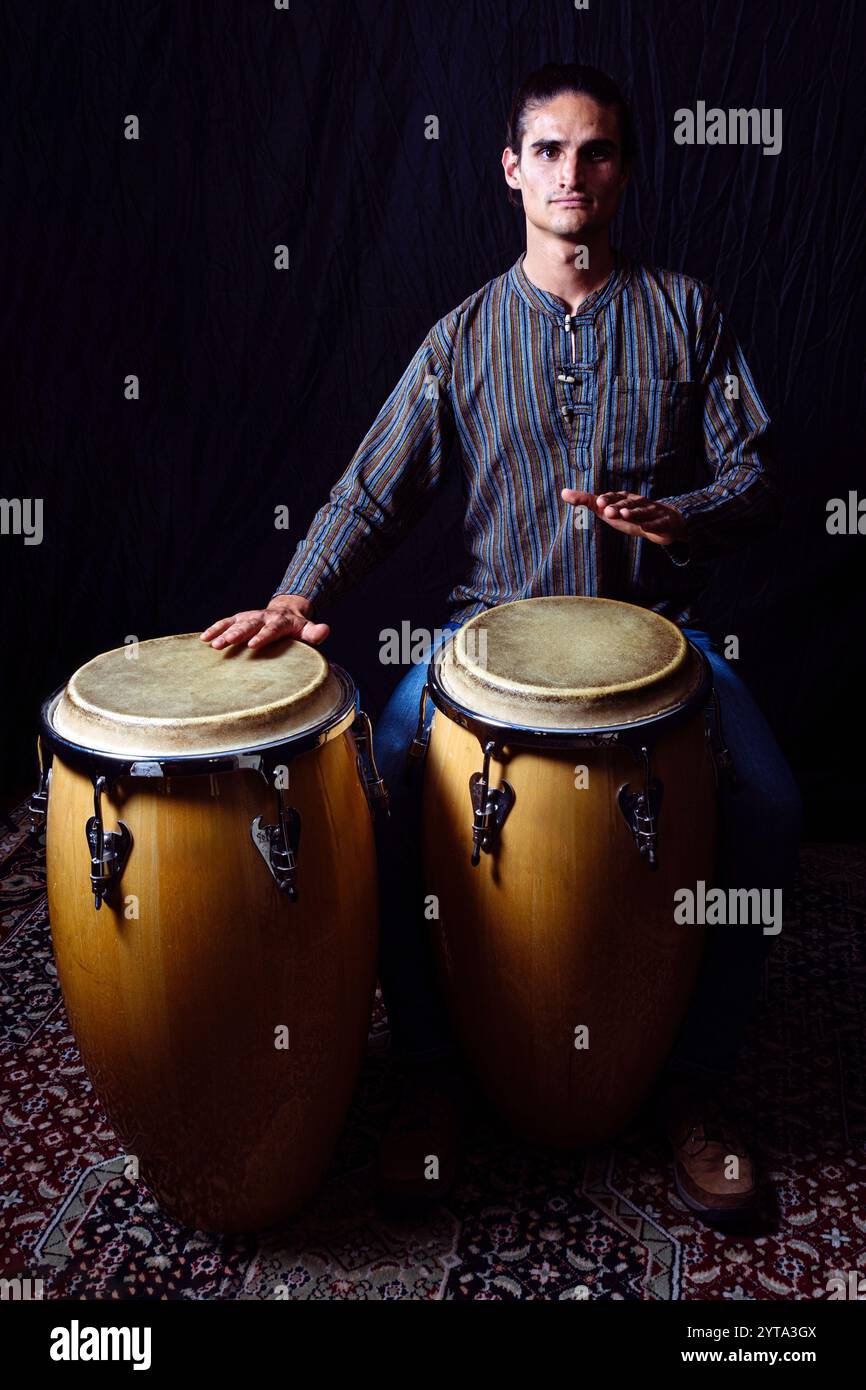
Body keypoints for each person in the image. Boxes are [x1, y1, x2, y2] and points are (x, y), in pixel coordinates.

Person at [201, 64, 803, 1222]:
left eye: (595, 152)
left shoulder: (688, 312)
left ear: (622, 169)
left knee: (770, 805)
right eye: (548, 151)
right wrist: (292, 597)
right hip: (479, 644)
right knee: (374, 789)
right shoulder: (461, 338)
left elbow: (762, 476)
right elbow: (368, 492)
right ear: (510, 168)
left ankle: (692, 1083)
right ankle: (431, 1070)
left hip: (656, 639)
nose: (570, 174)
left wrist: (687, 515)